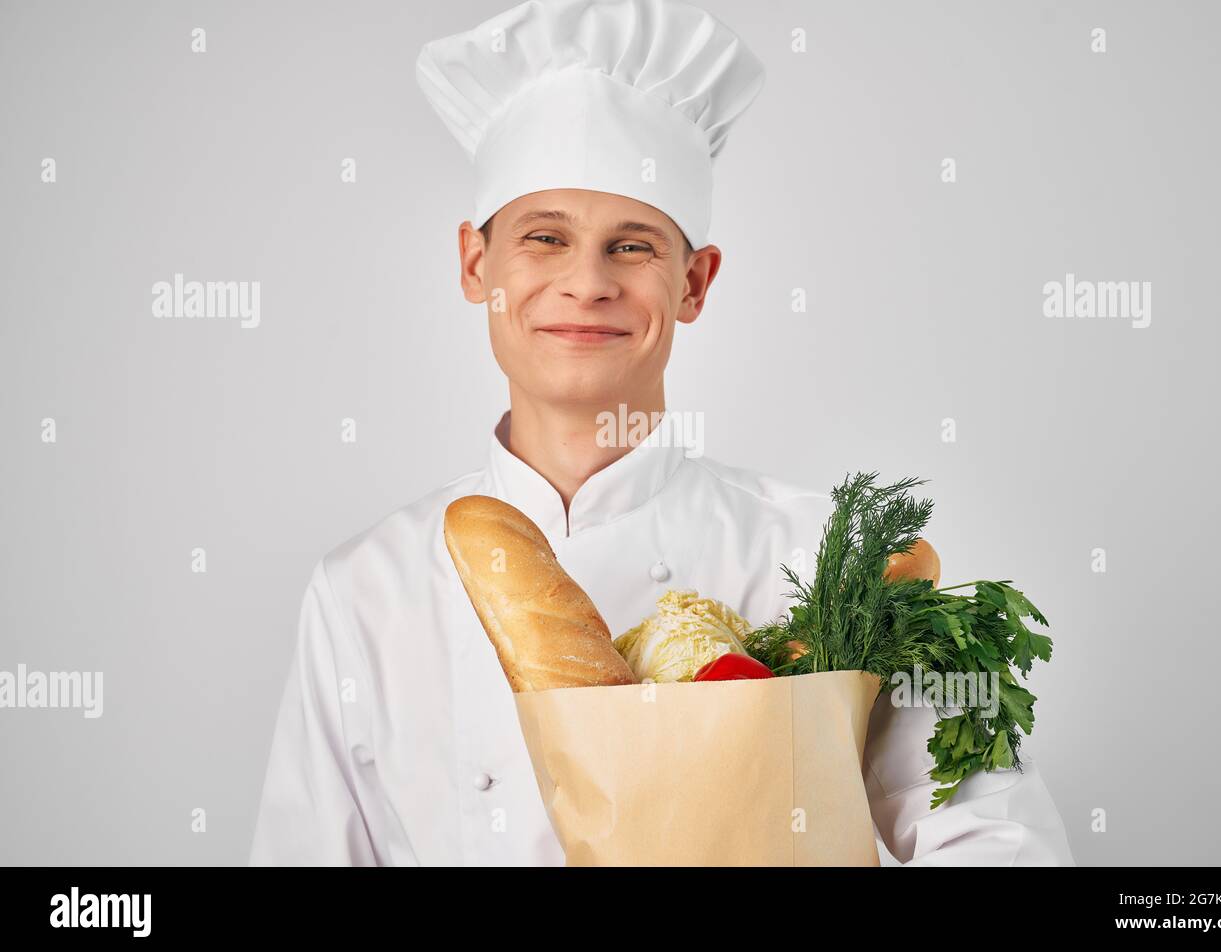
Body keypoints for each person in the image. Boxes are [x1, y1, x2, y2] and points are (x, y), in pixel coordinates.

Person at [250, 0, 1075, 866]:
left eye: (633, 246)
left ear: (696, 281)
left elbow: (1000, 839)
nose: (586, 282)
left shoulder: (825, 557)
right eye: (544, 237)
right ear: (474, 264)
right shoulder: (363, 592)